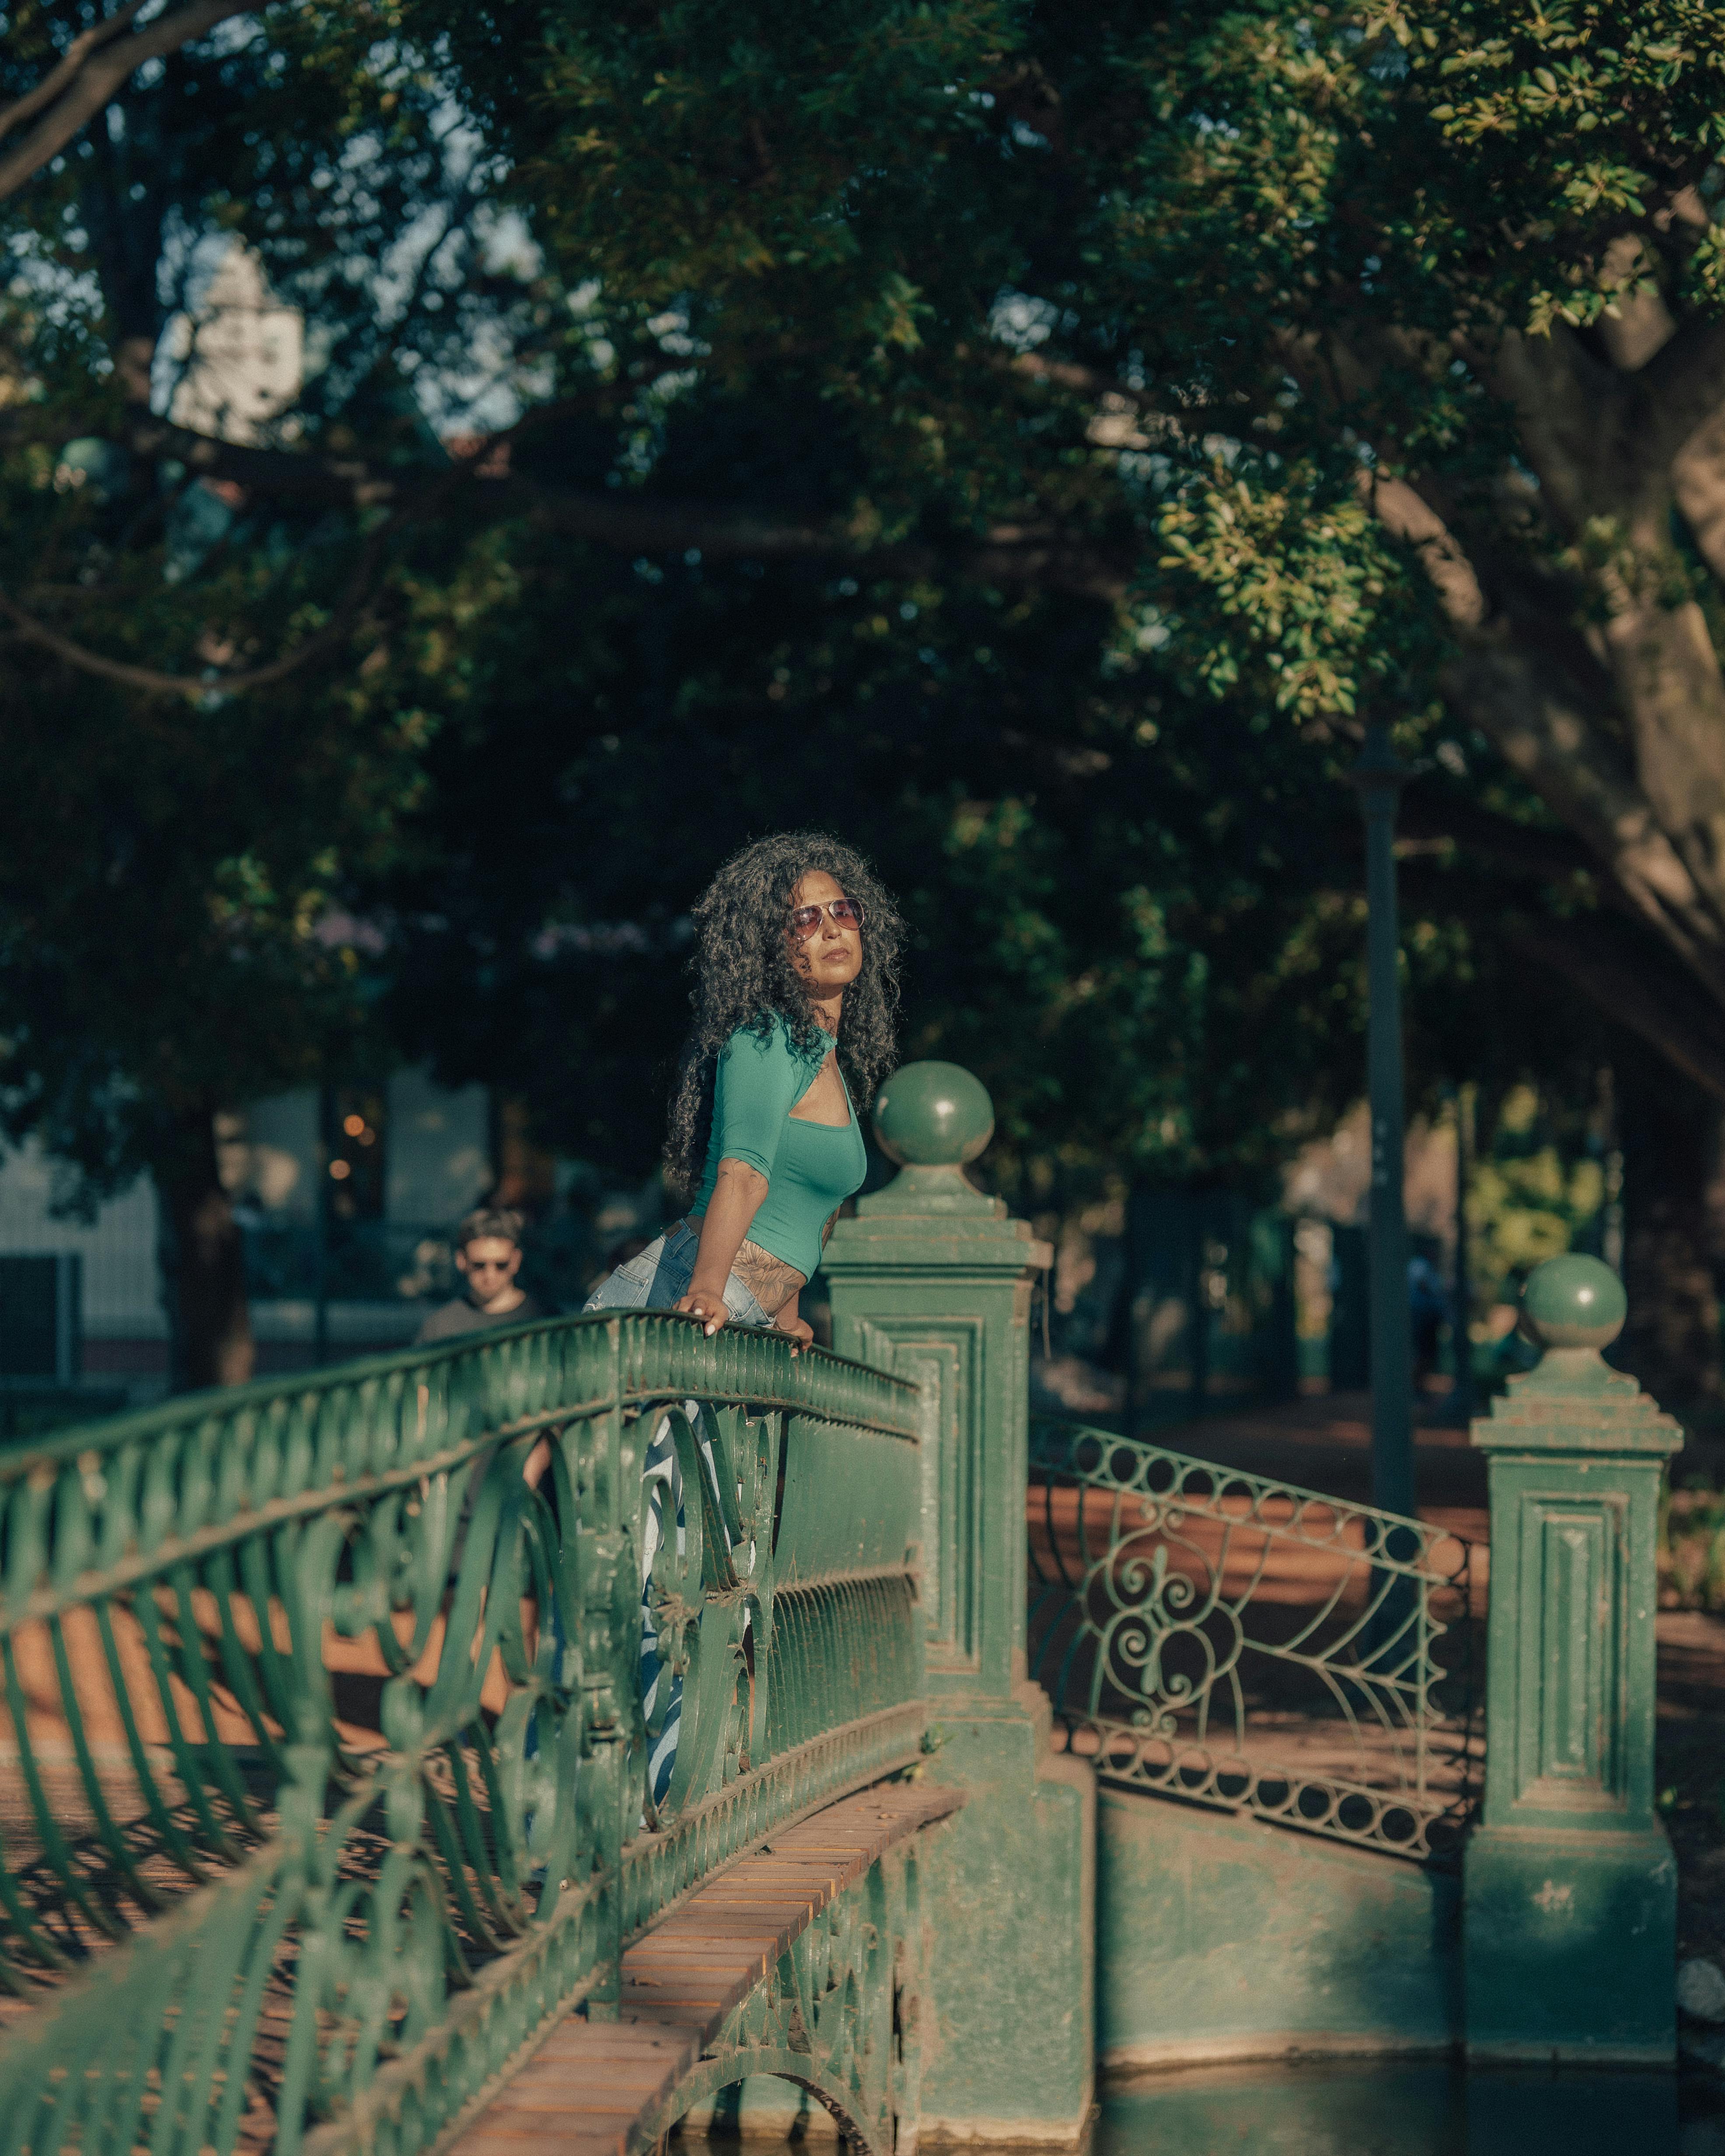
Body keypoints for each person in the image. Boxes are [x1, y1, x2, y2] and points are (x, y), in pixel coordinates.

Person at [583, 830, 902, 1343]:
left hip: (738, 1304)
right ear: (770, 947)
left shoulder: (819, 1054)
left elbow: (800, 1198)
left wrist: (785, 1313)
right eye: (804, 920)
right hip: (683, 1294)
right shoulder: (766, 1037)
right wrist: (706, 1287)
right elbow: (744, 1173)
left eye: (841, 911)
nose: (829, 930)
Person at [417, 1206, 544, 1343]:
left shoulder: (547, 1323)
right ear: (462, 1261)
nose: (490, 1275)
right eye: (479, 1265)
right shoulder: (439, 1328)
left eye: (501, 1265)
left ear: (516, 1261)